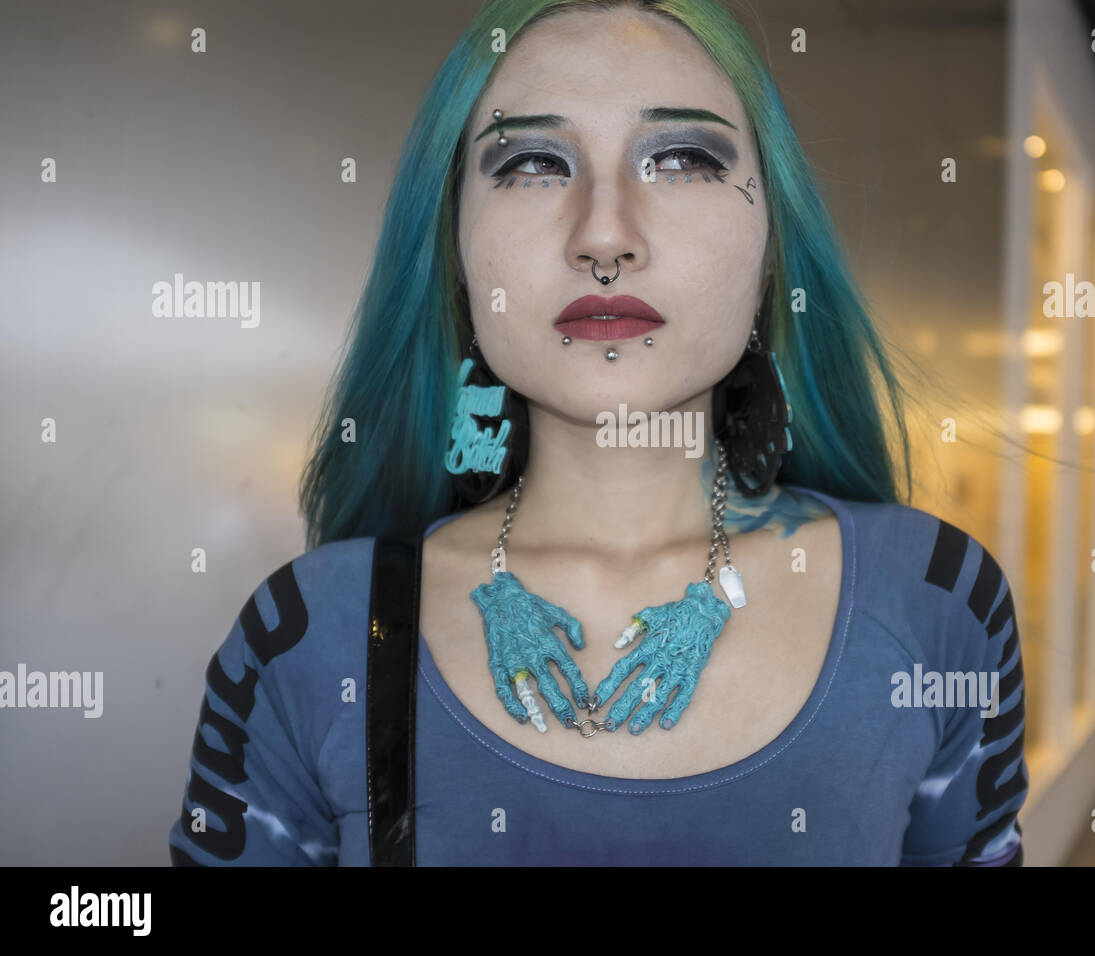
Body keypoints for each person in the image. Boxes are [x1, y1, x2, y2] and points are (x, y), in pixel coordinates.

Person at [168, 0, 1028, 866]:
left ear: (772, 240)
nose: (605, 235)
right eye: (533, 162)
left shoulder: (937, 605)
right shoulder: (307, 635)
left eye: (684, 159)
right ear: (454, 247)